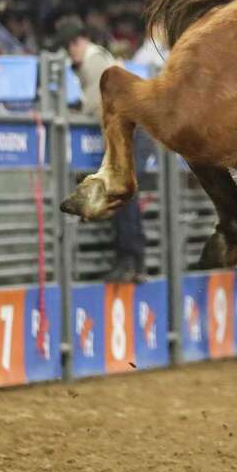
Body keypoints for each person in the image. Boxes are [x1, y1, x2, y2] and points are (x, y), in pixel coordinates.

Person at [58, 16, 148, 282]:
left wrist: (75, 111)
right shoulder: (100, 58)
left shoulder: (93, 62)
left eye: (69, 48)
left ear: (75, 43)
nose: (70, 56)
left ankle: (128, 260)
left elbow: (96, 104)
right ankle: (135, 262)